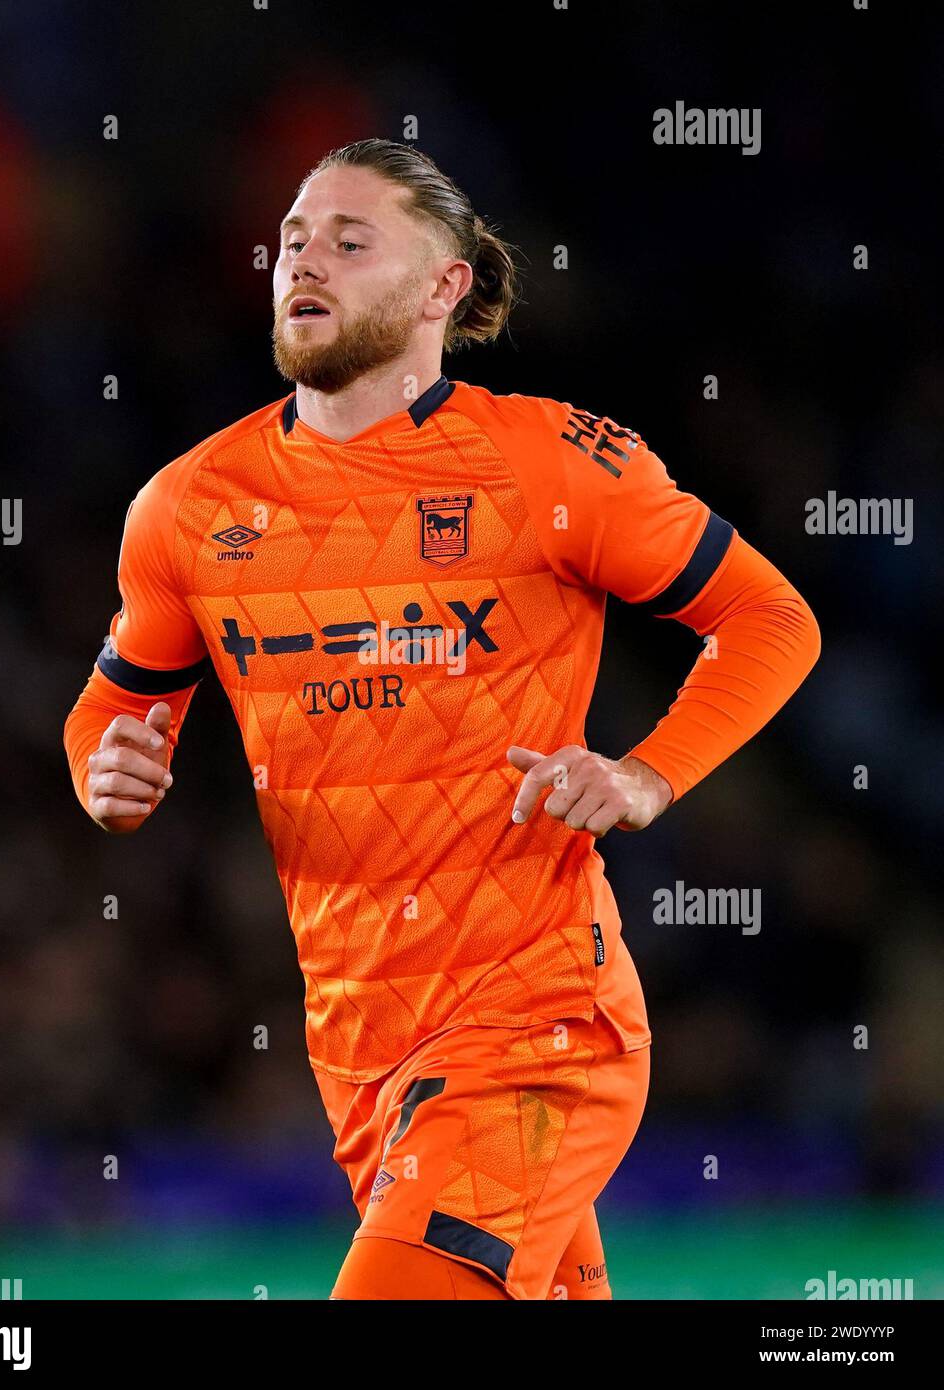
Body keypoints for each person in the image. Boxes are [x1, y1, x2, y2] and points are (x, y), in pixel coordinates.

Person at [63, 138, 820, 1300]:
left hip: (534, 1030)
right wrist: (101, 770)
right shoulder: (187, 507)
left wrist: (646, 773)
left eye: (348, 240)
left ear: (441, 286)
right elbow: (114, 710)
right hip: (360, 1051)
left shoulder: (549, 463)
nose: (302, 260)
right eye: (292, 241)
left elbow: (769, 619)